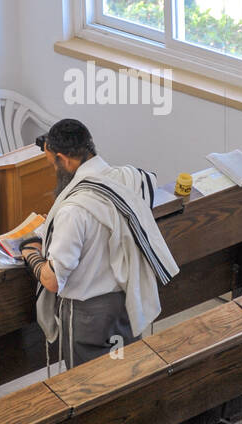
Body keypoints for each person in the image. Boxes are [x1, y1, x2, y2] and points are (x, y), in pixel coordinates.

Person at [18, 119, 179, 370]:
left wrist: (31, 254)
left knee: (89, 390)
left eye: (53, 164)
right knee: (127, 374)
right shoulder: (129, 179)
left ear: (64, 159)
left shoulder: (73, 210)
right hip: (126, 302)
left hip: (87, 316)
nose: (55, 170)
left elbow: (52, 280)